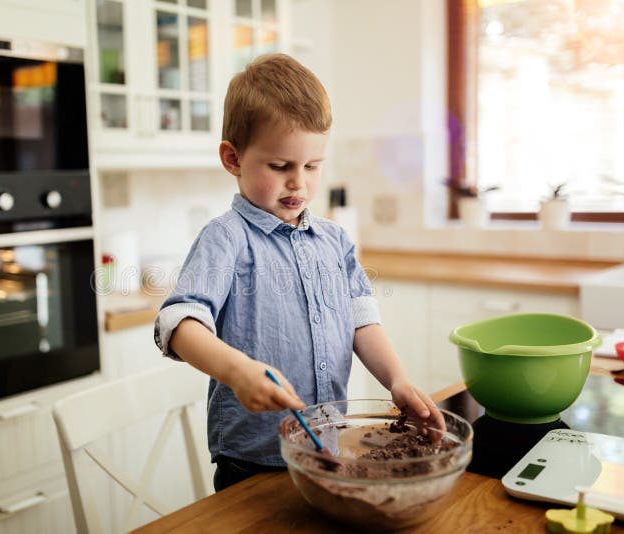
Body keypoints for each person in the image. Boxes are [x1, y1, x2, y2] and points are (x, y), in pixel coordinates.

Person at [154, 53, 444, 492]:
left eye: (312, 166)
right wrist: (236, 371)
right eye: (280, 166)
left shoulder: (335, 241)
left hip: (326, 450)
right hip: (251, 463)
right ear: (233, 158)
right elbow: (178, 325)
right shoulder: (226, 239)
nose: (300, 184)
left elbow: (362, 321)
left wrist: (397, 380)